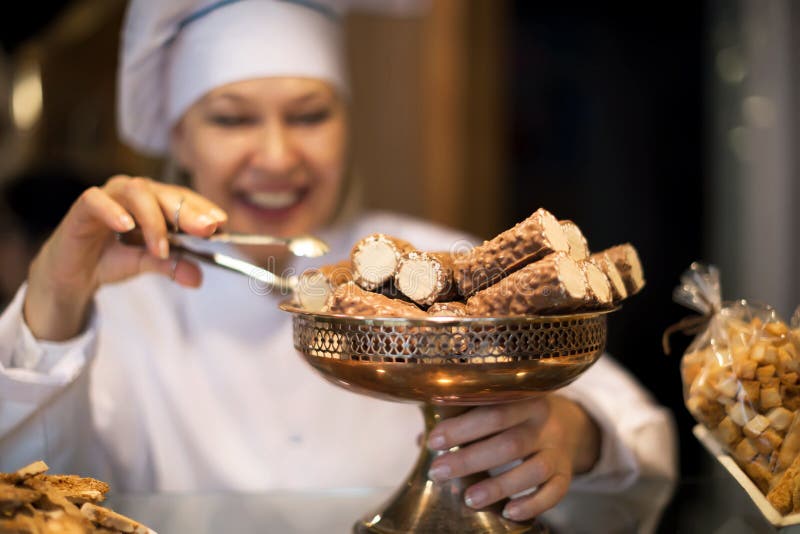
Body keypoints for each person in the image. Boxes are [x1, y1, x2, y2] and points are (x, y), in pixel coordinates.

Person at [0, 0, 676, 523]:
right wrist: (54, 296)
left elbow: (647, 442)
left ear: (348, 122)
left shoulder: (441, 265)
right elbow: (32, 489)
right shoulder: (120, 305)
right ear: (179, 137)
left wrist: (572, 434)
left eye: (309, 114)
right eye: (232, 119)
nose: (276, 156)